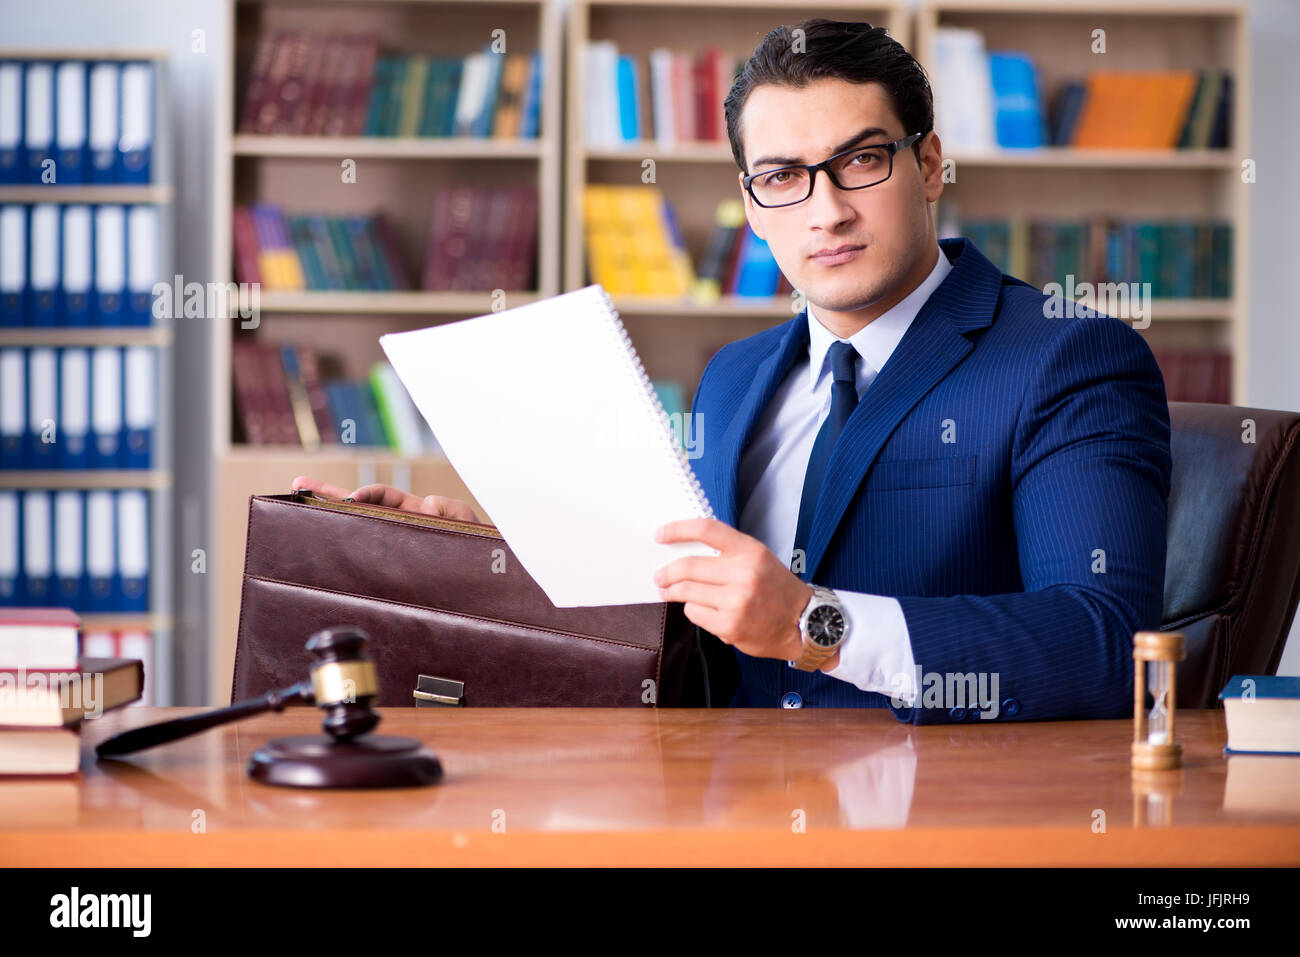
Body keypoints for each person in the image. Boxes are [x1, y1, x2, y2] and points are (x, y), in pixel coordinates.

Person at [296, 19, 1172, 722]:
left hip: (937, 815)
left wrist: (812, 626)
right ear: (753, 207)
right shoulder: (736, 375)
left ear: (930, 165)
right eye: (784, 177)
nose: (825, 210)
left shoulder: (1067, 356)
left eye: (861, 161)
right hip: (716, 795)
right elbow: (682, 609)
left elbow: (1105, 642)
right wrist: (476, 552)